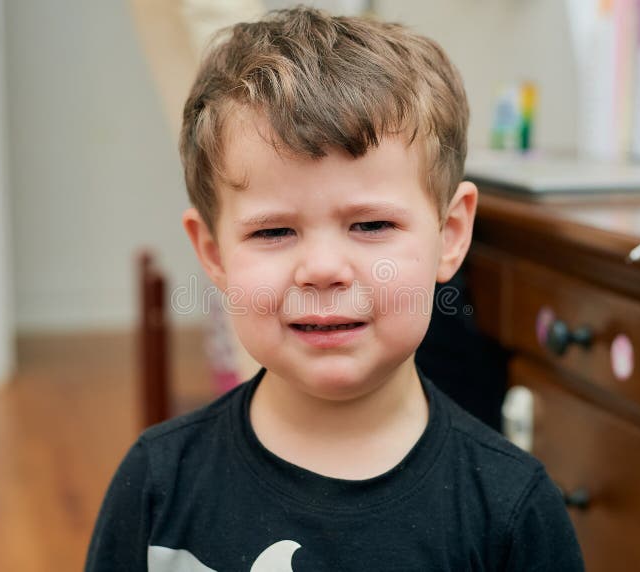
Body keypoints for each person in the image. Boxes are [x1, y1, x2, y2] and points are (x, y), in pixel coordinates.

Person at [86, 7, 584, 571]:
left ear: (449, 235)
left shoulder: (512, 511)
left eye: (371, 225)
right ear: (213, 253)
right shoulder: (156, 485)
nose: (323, 269)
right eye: (274, 231)